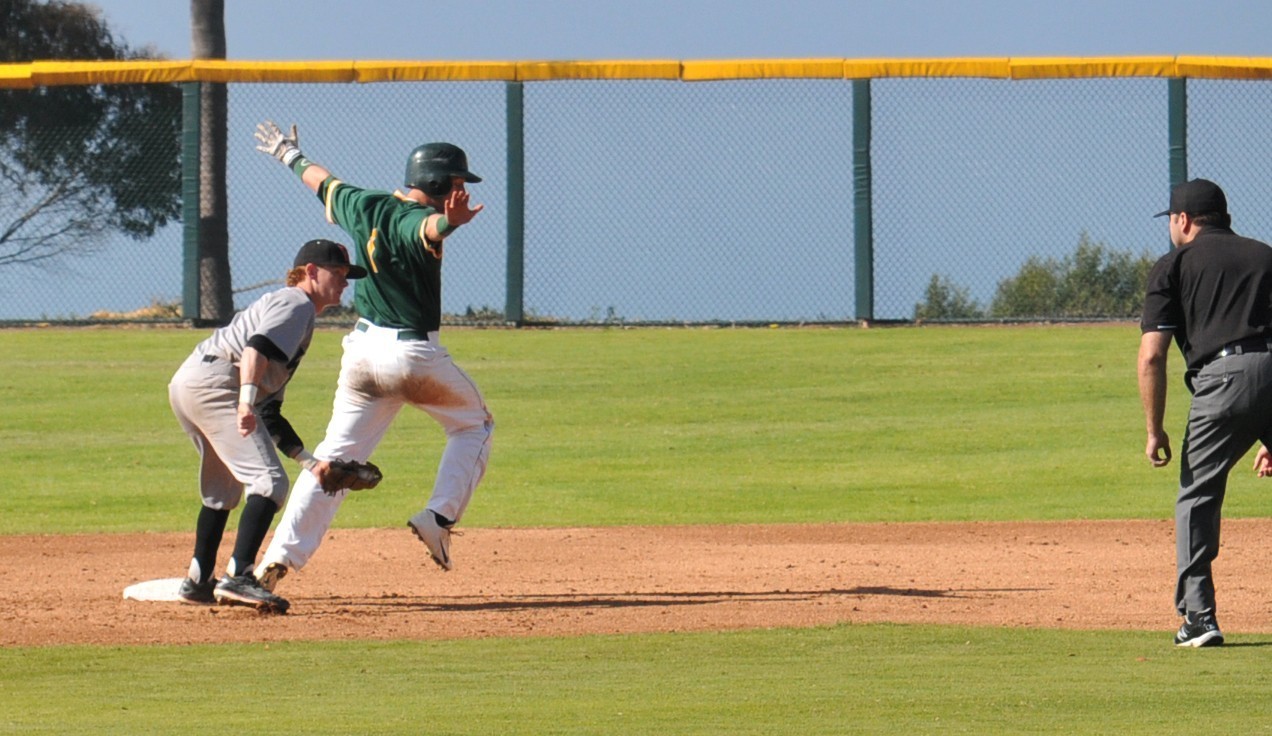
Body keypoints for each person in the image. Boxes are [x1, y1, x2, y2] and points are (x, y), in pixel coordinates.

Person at [249, 120, 494, 592]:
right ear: (438, 183)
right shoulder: (413, 220)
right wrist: (451, 223)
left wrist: (286, 153)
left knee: (334, 460)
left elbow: (321, 180)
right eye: (458, 182)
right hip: (413, 356)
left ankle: (275, 561)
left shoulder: (362, 204)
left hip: (362, 355)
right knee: (473, 425)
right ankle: (439, 517)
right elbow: (428, 227)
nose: (461, 190)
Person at [169, 239, 366, 612]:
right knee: (269, 484)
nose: (344, 282)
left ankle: (198, 581)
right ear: (310, 272)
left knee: (222, 489)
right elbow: (254, 350)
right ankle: (239, 578)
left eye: (345, 275)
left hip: (192, 382)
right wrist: (244, 401)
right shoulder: (296, 304)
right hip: (219, 384)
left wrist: (311, 462)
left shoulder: (291, 309)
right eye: (337, 273)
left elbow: (270, 414)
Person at [1138, 178, 1272, 647]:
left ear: (1183, 220)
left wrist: (1154, 430)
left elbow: (1152, 355)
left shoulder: (1172, 265)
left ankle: (1199, 616)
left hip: (1221, 381)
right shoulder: (1265, 254)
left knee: (1197, 497)